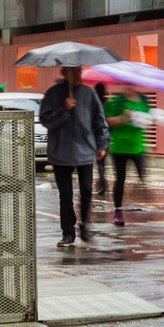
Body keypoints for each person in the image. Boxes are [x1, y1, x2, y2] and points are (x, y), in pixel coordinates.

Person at [38, 65, 109, 249]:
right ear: (63, 73)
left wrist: (102, 144)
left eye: (79, 71)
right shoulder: (52, 94)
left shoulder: (89, 94)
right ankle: (68, 233)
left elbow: (99, 122)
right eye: (73, 71)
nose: (78, 74)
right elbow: (46, 121)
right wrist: (64, 109)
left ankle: (84, 225)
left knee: (86, 191)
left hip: (85, 151)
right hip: (60, 152)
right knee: (66, 195)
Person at [103, 85, 151, 226]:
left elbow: (148, 119)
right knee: (120, 179)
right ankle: (118, 212)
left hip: (138, 146)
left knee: (142, 175)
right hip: (120, 147)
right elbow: (107, 121)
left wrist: (148, 119)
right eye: (128, 83)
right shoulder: (115, 100)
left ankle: (143, 195)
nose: (131, 86)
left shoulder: (143, 99)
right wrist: (123, 118)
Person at [91, 81, 110, 198]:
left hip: (96, 135)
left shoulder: (94, 103)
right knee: (102, 160)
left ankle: (102, 180)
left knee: (99, 161)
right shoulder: (107, 103)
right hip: (105, 135)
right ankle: (102, 180)